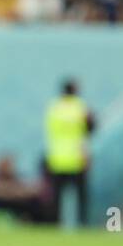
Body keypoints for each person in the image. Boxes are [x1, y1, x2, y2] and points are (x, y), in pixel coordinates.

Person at [43, 79, 95, 226]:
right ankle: (82, 224)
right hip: (77, 157)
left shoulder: (54, 107)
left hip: (57, 157)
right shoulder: (80, 107)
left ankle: (55, 224)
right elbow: (90, 129)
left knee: (56, 196)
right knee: (81, 196)